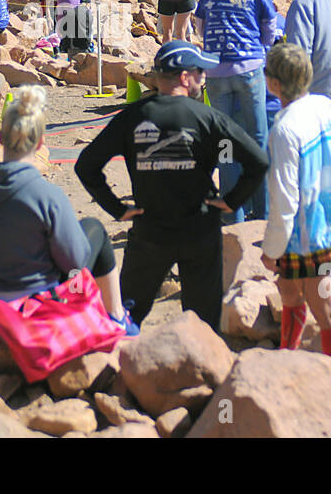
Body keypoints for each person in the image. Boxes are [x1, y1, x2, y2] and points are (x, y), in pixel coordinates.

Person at [75, 41, 269, 330]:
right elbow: (257, 161)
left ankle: (118, 368)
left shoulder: (132, 116)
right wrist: (231, 201)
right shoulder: (208, 119)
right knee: (202, 322)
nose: (204, 78)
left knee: (125, 313)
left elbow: (86, 165)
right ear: (184, 77)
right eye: (200, 72)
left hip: (150, 229)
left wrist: (117, 208)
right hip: (200, 229)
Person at [0, 86, 136, 332]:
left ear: (0, 137)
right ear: (41, 142)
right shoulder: (47, 195)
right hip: (34, 303)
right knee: (93, 229)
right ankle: (117, 316)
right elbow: (74, 260)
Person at [261, 42, 331, 363]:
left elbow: (284, 199)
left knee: (327, 312)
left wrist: (271, 250)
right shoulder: (325, 106)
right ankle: (287, 358)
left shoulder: (284, 130)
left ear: (275, 84)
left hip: (308, 238)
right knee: (289, 291)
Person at [194, 0, 279, 223]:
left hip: (216, 71)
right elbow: (269, 27)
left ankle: (232, 215)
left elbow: (200, 25)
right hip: (250, 68)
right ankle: (263, 211)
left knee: (224, 144)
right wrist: (263, 50)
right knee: (257, 139)